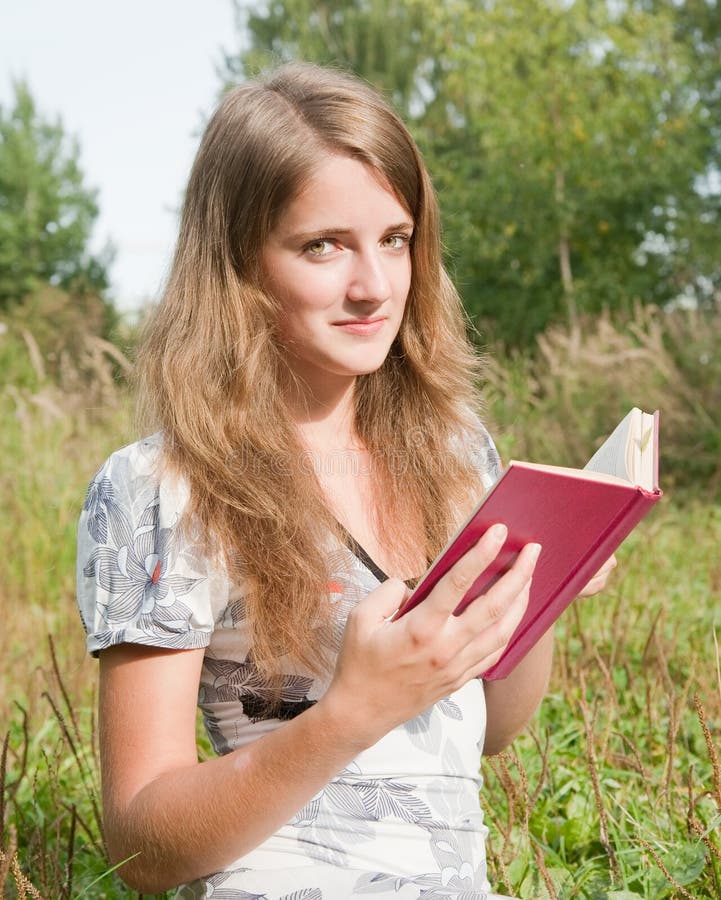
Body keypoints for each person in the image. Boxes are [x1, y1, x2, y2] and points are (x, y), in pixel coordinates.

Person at [76, 63, 615, 899]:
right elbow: (143, 844)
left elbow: (487, 730)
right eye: (322, 245)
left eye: (394, 239)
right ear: (238, 265)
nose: (373, 287)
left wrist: (540, 590)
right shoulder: (162, 486)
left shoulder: (455, 451)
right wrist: (353, 710)